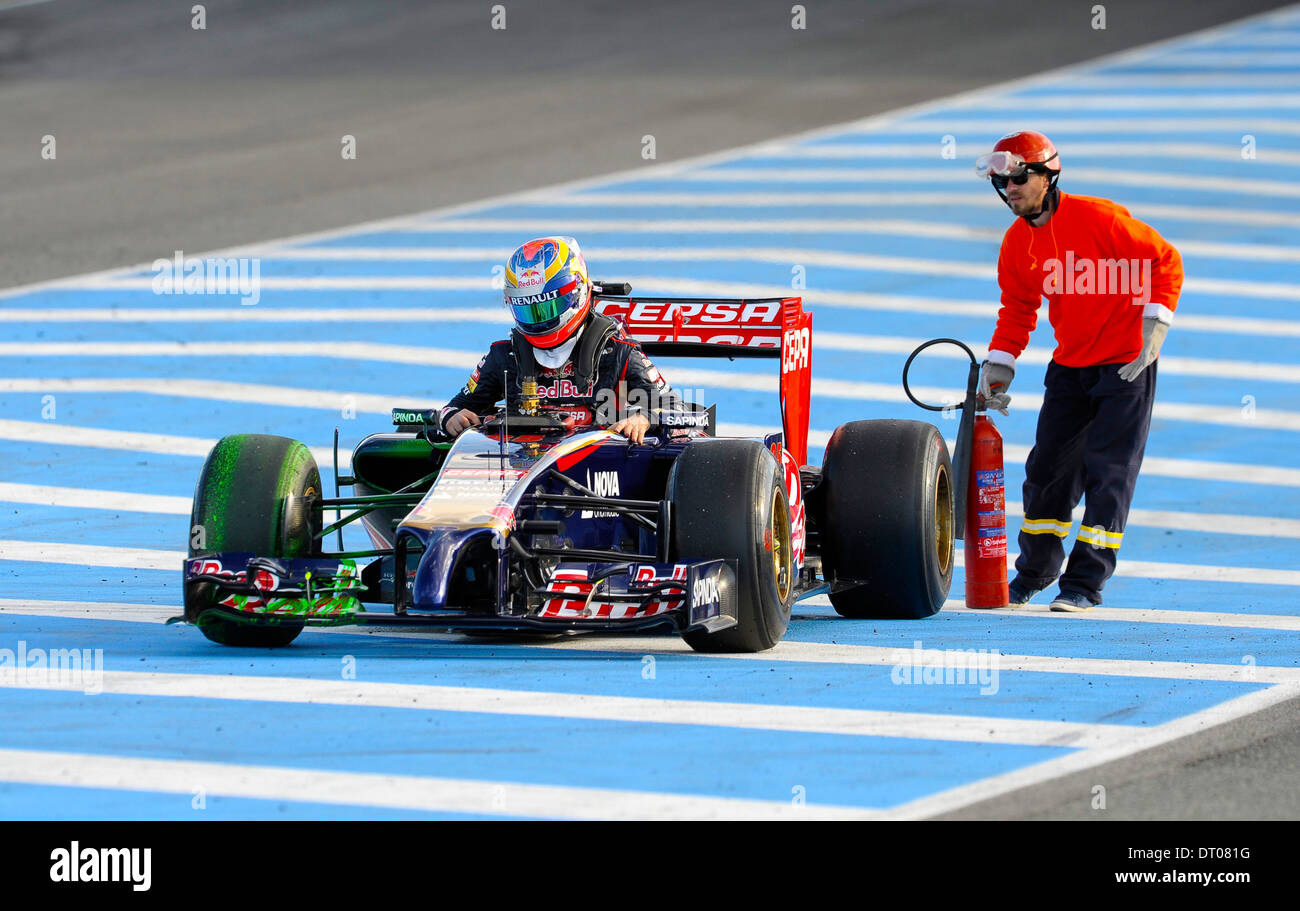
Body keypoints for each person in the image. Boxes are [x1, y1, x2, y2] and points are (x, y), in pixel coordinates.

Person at [974, 130, 1184, 612]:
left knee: (1109, 473)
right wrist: (1000, 366)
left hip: (1126, 365)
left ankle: (1084, 584)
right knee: (1047, 471)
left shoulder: (1099, 220)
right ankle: (1034, 573)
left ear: (1049, 176)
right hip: (1070, 366)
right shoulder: (1016, 245)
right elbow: (1018, 309)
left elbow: (1166, 261)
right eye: (1002, 184)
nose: (1011, 191)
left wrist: (1156, 325)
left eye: (1019, 179)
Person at [439, 235, 678, 444]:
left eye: (548, 305)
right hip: (518, 467)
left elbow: (676, 409)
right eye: (529, 309)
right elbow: (454, 407)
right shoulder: (505, 356)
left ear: (578, 293)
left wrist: (645, 418)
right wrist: (451, 418)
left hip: (597, 473)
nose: (539, 320)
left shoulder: (618, 353)